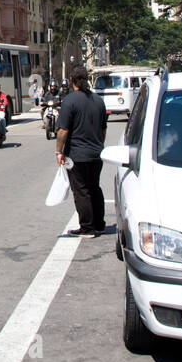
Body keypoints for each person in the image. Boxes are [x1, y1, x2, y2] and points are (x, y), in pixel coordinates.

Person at [56, 65, 108, 237]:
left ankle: (87, 227)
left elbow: (63, 131)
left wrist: (59, 152)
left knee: (81, 191)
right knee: (94, 188)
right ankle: (99, 224)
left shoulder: (69, 101)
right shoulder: (98, 100)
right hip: (96, 153)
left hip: (77, 155)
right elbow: (102, 130)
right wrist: (99, 146)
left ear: (72, 80)